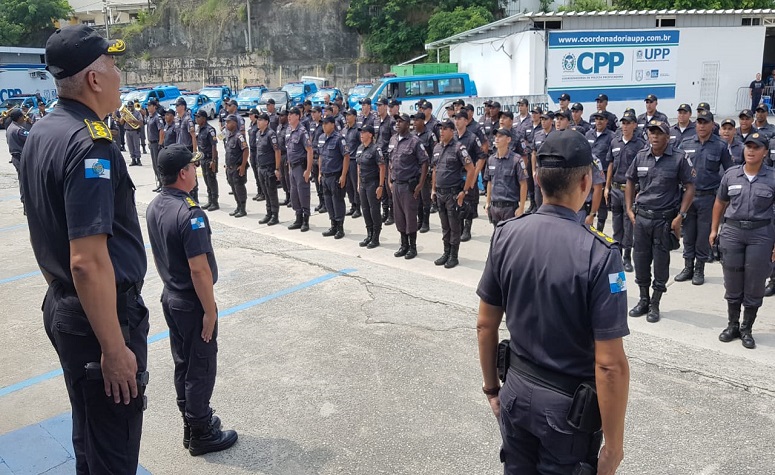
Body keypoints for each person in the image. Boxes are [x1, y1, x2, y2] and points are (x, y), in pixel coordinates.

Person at [20, 25, 149, 473]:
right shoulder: (90, 144)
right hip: (101, 318)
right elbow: (89, 261)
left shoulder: (45, 130)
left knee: (90, 432)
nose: (118, 74)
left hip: (65, 306)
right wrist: (114, 348)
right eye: (113, 65)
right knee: (114, 442)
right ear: (94, 79)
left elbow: (44, 226)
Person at [477, 129, 630, 475]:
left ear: (536, 177)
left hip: (516, 391)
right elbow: (609, 365)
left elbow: (485, 324)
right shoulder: (600, 254)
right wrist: (614, 449)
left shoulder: (506, 234)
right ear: (586, 182)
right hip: (566, 413)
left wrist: (491, 388)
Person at [145, 144, 239, 455]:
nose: (196, 172)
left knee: (183, 362)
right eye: (192, 167)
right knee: (200, 365)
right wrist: (209, 312)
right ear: (183, 173)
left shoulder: (156, 205)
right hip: (190, 301)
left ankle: (190, 422)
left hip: (170, 296)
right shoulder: (191, 214)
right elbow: (199, 270)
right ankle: (201, 430)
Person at [625, 120, 695, 323]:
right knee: (640, 261)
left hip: (664, 220)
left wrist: (680, 216)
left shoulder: (679, 158)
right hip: (642, 219)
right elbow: (630, 180)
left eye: (659, 133)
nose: (654, 136)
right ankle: (643, 299)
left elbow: (690, 187)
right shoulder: (641, 157)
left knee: (661, 264)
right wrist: (629, 209)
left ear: (667, 136)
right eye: (651, 132)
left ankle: (655, 303)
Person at [710, 132, 775, 349]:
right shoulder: (731, 175)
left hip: (761, 234)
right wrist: (714, 230)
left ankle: (747, 328)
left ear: (765, 152)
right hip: (733, 233)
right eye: (748, 146)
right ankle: (732, 325)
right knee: (732, 280)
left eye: (756, 147)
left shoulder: (773, 177)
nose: (751, 151)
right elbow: (720, 203)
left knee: (755, 282)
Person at [674, 110, 733, 285]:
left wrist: (723, 197)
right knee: (689, 234)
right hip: (688, 197)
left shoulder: (720, 146)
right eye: (699, 122)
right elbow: (677, 168)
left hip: (708, 198)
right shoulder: (685, 143)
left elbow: (729, 172)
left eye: (705, 122)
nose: (701, 125)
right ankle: (688, 267)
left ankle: (699, 269)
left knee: (702, 236)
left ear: (712, 125)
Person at [431, 120, 476, 269]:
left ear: (452, 131)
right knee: (444, 226)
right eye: (440, 129)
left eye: (444, 129)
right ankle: (446, 252)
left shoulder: (458, 148)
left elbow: (471, 169)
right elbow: (435, 170)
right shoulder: (437, 147)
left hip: (453, 194)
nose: (441, 132)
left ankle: (453, 256)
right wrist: (433, 189)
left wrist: (464, 191)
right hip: (440, 193)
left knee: (454, 226)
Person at [605, 111, 645, 273]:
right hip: (615, 189)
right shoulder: (615, 142)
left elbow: (642, 170)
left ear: (634, 125)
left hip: (630, 191)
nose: (625, 126)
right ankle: (617, 255)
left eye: (628, 123)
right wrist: (607, 187)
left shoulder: (640, 145)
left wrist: (640, 191)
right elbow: (610, 165)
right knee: (616, 225)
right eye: (623, 123)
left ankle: (627, 257)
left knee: (629, 226)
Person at [388, 113, 429, 259]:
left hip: (408, 185)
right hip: (396, 184)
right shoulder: (393, 139)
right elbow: (390, 161)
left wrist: (420, 184)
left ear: (408, 124)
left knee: (410, 217)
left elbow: (424, 162)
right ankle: (403, 245)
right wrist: (389, 179)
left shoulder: (415, 141)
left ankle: (412, 247)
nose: (398, 123)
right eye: (396, 121)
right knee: (399, 217)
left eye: (401, 121)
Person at [483, 127, 527, 227]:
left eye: (500, 136)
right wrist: (487, 202)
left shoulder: (516, 159)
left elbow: (523, 184)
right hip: (495, 207)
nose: (497, 139)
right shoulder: (491, 159)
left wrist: (522, 207)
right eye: (496, 136)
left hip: (510, 207)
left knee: (510, 239)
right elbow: (490, 182)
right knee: (497, 237)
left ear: (508, 139)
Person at [318, 115, 350, 239]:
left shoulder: (339, 139)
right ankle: (333, 225)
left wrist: (343, 175)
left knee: (337, 201)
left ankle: (340, 227)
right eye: (323, 124)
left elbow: (346, 157)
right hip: (325, 175)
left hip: (335, 175)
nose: (324, 126)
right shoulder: (321, 137)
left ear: (332, 124)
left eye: (326, 123)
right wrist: (320, 172)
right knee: (328, 202)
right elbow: (321, 155)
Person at [355, 125, 385, 249]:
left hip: (373, 183)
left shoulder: (376, 149)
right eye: (361, 132)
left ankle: (375, 237)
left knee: (374, 210)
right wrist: (358, 183)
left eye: (364, 132)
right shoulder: (360, 148)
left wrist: (381, 186)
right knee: (365, 210)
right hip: (363, 183)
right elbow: (358, 166)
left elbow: (382, 167)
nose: (361, 134)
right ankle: (369, 234)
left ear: (371, 135)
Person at [286, 107, 314, 232]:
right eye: (289, 114)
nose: (289, 116)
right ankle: (298, 218)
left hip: (300, 167)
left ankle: (305, 220)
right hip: (292, 167)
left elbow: (309, 151)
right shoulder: (288, 130)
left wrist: (308, 170)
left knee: (303, 193)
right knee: (294, 194)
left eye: (292, 114)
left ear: (298, 116)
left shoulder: (302, 131)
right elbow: (289, 149)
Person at [413, 113, 437, 233]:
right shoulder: (412, 135)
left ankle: (426, 222)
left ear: (422, 121)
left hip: (425, 171)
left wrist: (432, 169)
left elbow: (435, 152)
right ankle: (420, 220)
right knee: (416, 198)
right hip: (414, 171)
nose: (414, 122)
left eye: (417, 120)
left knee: (425, 198)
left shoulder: (429, 135)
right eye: (414, 120)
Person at [224, 114, 248, 218]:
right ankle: (238, 206)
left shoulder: (239, 136)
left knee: (239, 188)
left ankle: (242, 208)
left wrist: (243, 166)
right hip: (230, 167)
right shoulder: (229, 136)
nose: (226, 124)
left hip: (237, 167)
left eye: (228, 122)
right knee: (233, 188)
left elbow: (246, 150)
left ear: (234, 123)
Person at [195, 109, 219, 211]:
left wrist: (213, 161)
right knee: (206, 180)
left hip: (210, 158)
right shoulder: (199, 129)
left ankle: (215, 202)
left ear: (204, 118)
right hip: (203, 159)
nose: (196, 119)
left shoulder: (210, 130)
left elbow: (214, 146)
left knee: (211, 180)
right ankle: (210, 201)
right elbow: (200, 145)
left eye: (198, 117)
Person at [343, 108, 362, 220]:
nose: (347, 117)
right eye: (346, 115)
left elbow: (361, 145)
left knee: (355, 185)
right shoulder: (345, 130)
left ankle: (358, 207)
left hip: (354, 160)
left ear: (354, 117)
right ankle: (352, 205)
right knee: (348, 185)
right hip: (346, 161)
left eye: (349, 115)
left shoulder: (357, 130)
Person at [146, 99, 165, 191]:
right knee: (154, 165)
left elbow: (161, 130)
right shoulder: (149, 117)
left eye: (150, 106)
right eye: (148, 106)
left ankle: (163, 184)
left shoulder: (158, 117)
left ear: (155, 107)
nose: (148, 107)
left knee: (159, 164)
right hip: (152, 142)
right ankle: (159, 183)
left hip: (157, 142)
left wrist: (160, 143)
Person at [125, 100, 142, 166]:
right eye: (129, 106)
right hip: (127, 131)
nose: (130, 108)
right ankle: (133, 160)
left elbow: (141, 123)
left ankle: (138, 159)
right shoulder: (126, 113)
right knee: (130, 146)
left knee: (136, 145)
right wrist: (123, 117)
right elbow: (121, 122)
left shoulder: (137, 113)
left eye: (131, 106)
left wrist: (133, 121)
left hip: (135, 131)